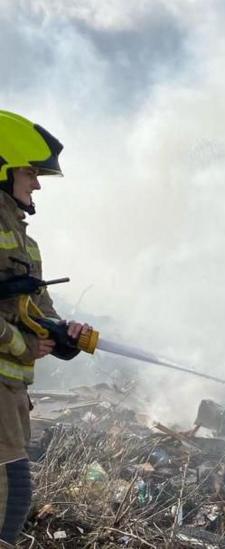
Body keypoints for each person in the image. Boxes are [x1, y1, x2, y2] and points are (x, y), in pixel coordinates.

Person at [0, 110, 90, 545]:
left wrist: (61, 335)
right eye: (30, 172)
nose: (36, 183)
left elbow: (39, 309)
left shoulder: (25, 242)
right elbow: (17, 332)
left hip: (11, 396)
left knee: (12, 498)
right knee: (9, 496)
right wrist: (20, 342)